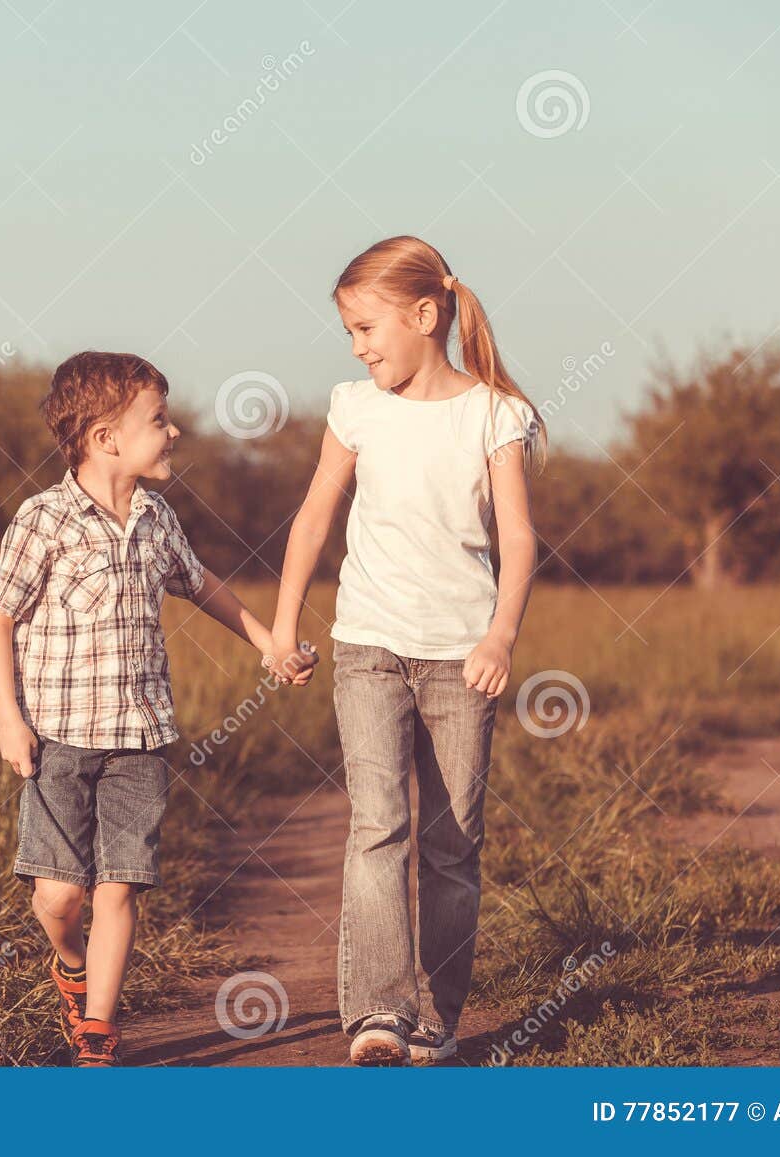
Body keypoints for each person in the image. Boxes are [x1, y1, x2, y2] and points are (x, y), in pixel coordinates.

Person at [0, 350, 316, 1066]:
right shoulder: (43, 519)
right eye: (159, 420)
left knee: (120, 887)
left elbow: (204, 587)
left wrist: (269, 644)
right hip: (58, 740)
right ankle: (69, 964)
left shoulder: (157, 518)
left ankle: (99, 1027)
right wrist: (9, 717)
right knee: (58, 900)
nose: (175, 432)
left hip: (141, 740)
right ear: (107, 438)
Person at [270, 235, 545, 1065]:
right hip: (367, 646)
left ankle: (440, 1017)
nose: (358, 346)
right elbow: (316, 515)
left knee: (452, 842)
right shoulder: (355, 406)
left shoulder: (494, 412)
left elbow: (522, 539)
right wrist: (284, 623)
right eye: (349, 332)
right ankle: (379, 1014)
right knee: (377, 825)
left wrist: (501, 633)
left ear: (425, 316)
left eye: (366, 327)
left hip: (462, 656)